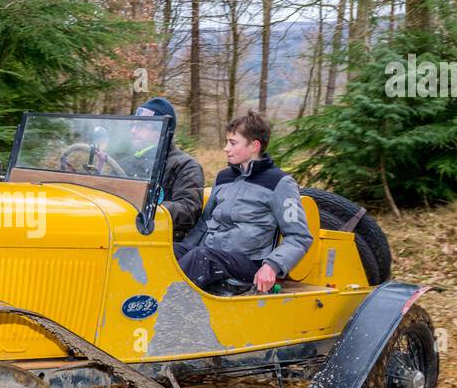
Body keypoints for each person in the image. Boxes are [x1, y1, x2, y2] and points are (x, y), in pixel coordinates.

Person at [174, 110, 312, 293]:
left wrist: (272, 265)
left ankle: (159, 307)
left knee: (202, 257)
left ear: (254, 146)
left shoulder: (279, 183)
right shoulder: (224, 178)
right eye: (226, 142)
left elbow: (299, 237)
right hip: (211, 254)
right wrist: (180, 252)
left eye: (232, 143)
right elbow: (203, 224)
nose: (226, 148)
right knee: (168, 251)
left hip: (248, 263)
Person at [118, 96, 204, 241]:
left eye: (141, 126)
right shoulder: (124, 163)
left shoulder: (185, 166)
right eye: (132, 125)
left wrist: (146, 208)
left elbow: (189, 210)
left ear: (162, 130)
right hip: (121, 231)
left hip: (159, 239)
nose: (133, 131)